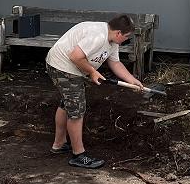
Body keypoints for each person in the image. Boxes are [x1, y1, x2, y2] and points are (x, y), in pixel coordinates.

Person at [45, 14, 145, 169]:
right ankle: (78, 155)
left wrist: (131, 80)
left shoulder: (112, 42)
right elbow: (75, 56)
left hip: (71, 68)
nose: (126, 39)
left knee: (68, 103)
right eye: (126, 36)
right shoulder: (98, 35)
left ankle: (59, 144)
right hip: (62, 66)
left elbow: (115, 63)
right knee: (77, 110)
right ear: (118, 33)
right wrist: (92, 72)